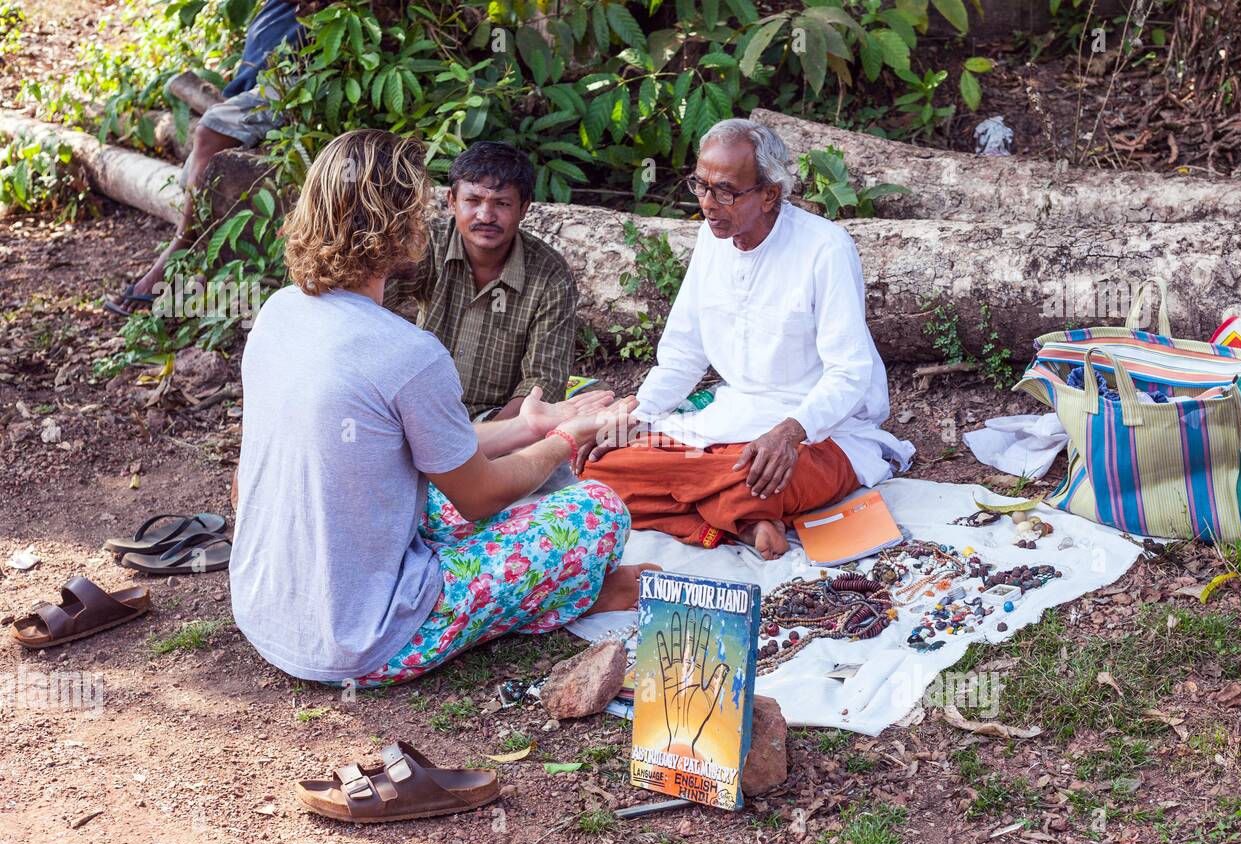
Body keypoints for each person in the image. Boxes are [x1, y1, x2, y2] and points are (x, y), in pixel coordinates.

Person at [229, 128, 650, 686]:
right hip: (361, 643)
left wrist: (529, 425)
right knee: (597, 510)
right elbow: (476, 497)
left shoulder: (280, 312)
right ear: (405, 222)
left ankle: (558, 591)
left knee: (448, 505)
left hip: (263, 609)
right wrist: (567, 440)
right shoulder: (408, 353)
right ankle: (580, 595)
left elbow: (423, 450)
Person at [581, 118, 914, 560]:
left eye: (725, 191)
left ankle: (731, 508)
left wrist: (791, 432)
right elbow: (683, 353)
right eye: (700, 186)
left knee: (759, 479)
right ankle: (742, 519)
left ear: (770, 193)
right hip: (731, 419)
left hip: (820, 429)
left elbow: (850, 372)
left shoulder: (825, 248)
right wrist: (638, 414)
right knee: (601, 466)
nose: (707, 204)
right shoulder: (711, 238)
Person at [105, 0, 309, 317]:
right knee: (193, 178)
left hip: (294, 86)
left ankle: (181, 247)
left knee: (209, 131)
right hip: (259, 89)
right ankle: (202, 272)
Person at [384, 141, 580, 422]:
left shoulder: (550, 274)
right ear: (452, 201)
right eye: (473, 201)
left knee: (555, 454)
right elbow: (366, 305)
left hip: (495, 418)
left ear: (524, 208)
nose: (486, 216)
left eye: (501, 203)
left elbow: (543, 382)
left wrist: (487, 439)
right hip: (417, 409)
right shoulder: (428, 244)